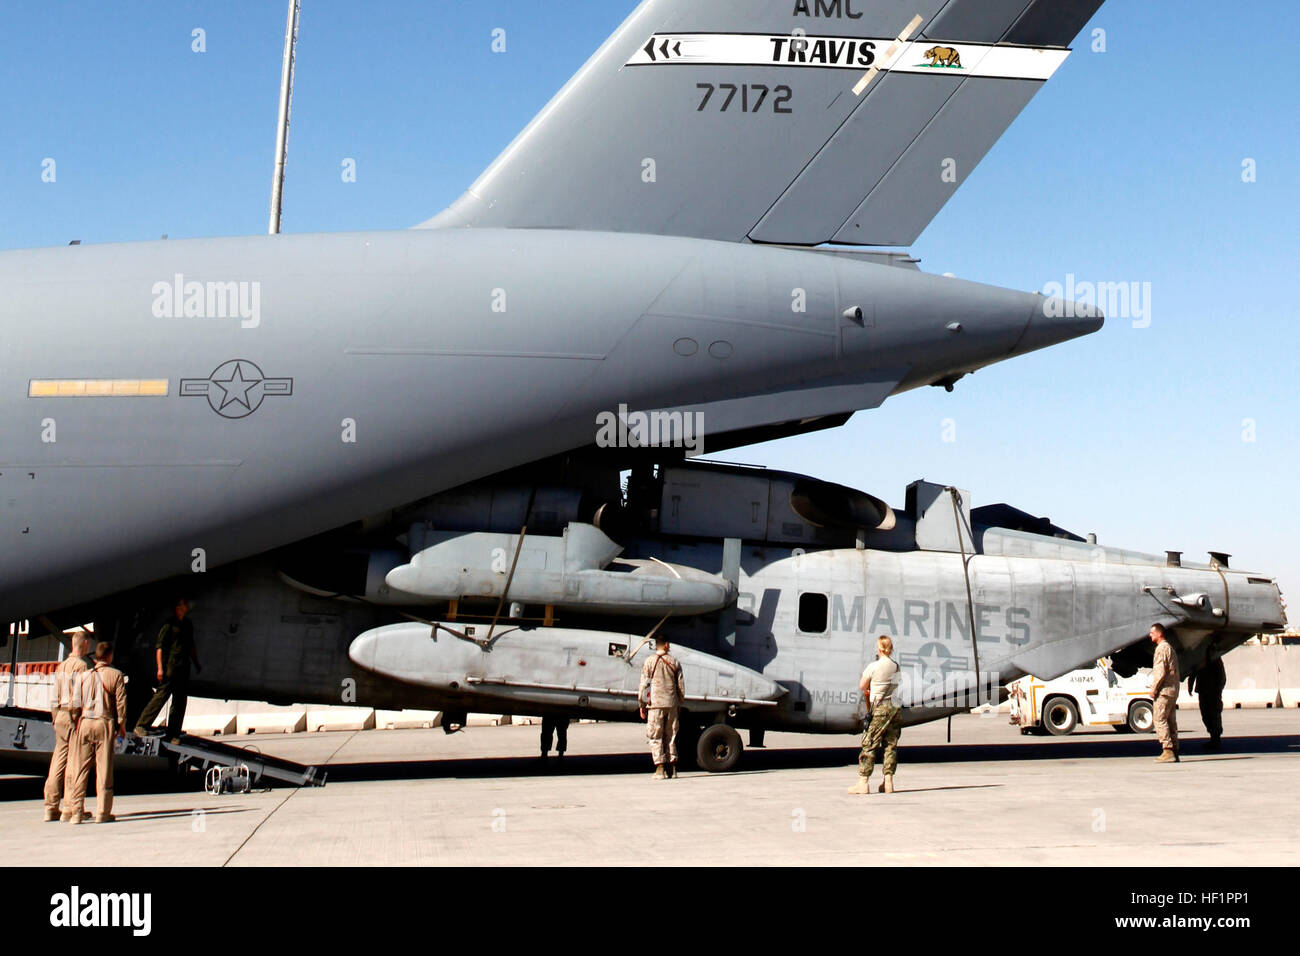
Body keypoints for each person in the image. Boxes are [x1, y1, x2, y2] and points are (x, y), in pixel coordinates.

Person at [67, 642, 128, 824]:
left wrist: (76, 721)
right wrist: (122, 725)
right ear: (109, 656)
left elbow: (73, 705)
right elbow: (121, 703)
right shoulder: (115, 675)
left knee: (80, 769)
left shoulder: (83, 676)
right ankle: (103, 812)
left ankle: (76, 812)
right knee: (104, 770)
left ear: (95, 658)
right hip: (104, 723)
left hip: (85, 722)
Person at [134, 597, 200, 740]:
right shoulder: (169, 625)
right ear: (177, 607)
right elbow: (160, 647)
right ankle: (141, 725)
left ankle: (174, 733)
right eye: (182, 604)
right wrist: (160, 668)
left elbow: (191, 646)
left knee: (180, 701)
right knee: (161, 696)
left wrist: (196, 663)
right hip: (170, 667)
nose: (185, 606)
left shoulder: (187, 624)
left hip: (183, 667)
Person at [42, 631, 90, 822]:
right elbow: (79, 696)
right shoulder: (81, 665)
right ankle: (69, 808)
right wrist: (77, 717)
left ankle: (50, 807)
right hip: (72, 717)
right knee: (73, 763)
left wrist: (55, 717)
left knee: (57, 762)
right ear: (85, 644)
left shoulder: (61, 666)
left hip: (59, 715)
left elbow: (54, 695)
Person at [850, 635, 903, 795]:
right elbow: (895, 685)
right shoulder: (895, 666)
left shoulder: (873, 666)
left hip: (878, 709)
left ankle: (863, 783)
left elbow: (862, 686)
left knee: (870, 744)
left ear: (879, 648)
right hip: (894, 709)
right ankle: (888, 783)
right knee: (890, 745)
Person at [639, 636, 685, 779]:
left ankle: (660, 768)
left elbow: (644, 685)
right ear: (666, 645)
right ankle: (673, 768)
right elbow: (680, 687)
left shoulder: (649, 661)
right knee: (671, 736)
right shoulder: (675, 662)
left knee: (655, 736)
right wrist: (679, 703)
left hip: (655, 704)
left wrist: (642, 704)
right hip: (671, 703)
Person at [1149, 623, 1180, 763]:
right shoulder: (1170, 648)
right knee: (1170, 721)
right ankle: (1175, 750)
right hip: (1173, 690)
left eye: (1152, 633)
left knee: (1159, 719)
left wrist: (1154, 689)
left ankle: (1167, 750)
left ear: (1159, 634)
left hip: (1164, 691)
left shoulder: (1161, 649)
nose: (1150, 635)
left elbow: (1160, 672)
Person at [1188, 649, 1226, 751]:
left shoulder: (1215, 658)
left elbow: (1222, 676)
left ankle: (1216, 738)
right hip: (1203, 689)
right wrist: (1190, 686)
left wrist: (1218, 689)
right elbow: (1193, 671)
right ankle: (1213, 737)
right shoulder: (1199, 657)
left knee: (1214, 714)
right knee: (1205, 714)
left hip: (1213, 691)